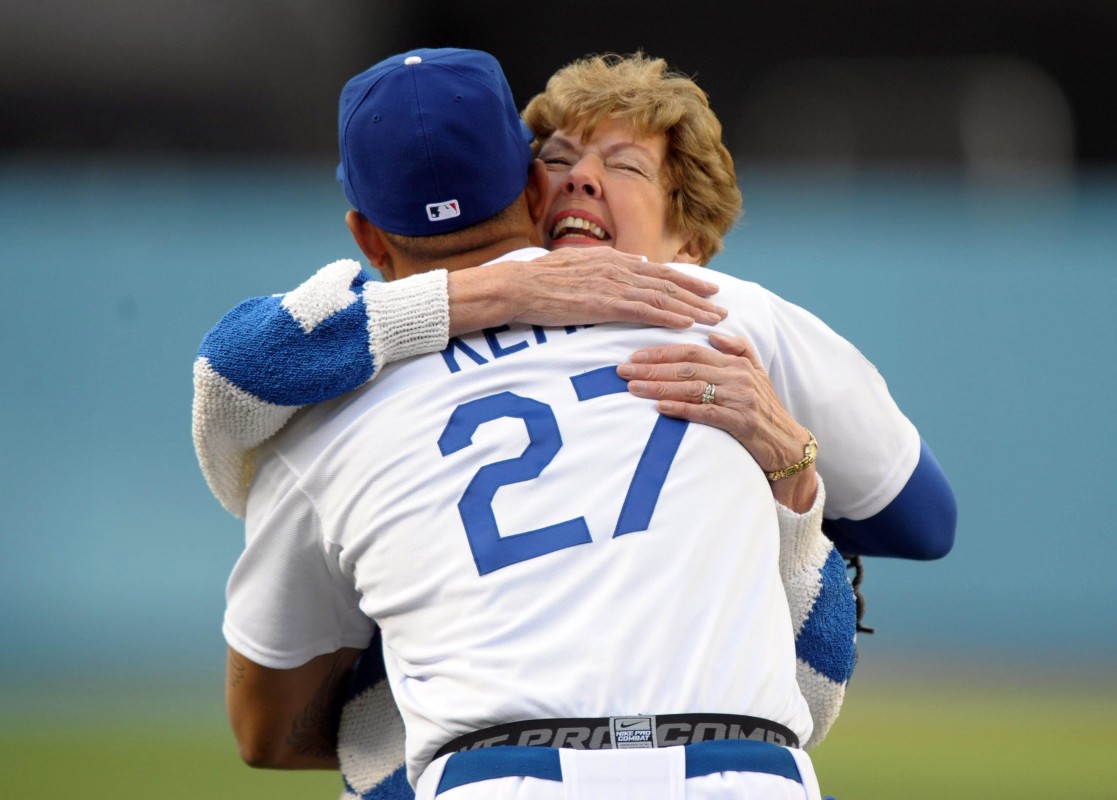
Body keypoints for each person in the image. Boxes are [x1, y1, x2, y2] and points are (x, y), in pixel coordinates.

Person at [215, 48, 951, 800]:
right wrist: (790, 488)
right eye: (560, 157)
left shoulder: (328, 401)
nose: (581, 177)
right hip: (739, 770)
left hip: (497, 775)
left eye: (625, 166)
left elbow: (267, 731)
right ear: (536, 190)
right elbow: (919, 523)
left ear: (365, 238)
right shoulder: (726, 315)